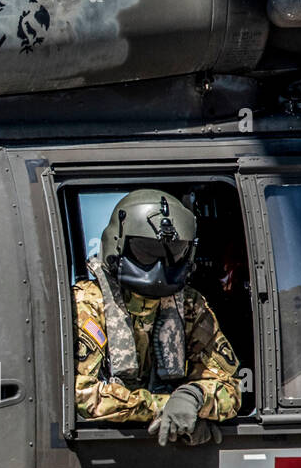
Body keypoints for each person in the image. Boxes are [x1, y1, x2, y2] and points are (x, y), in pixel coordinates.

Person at [74, 189, 241, 444]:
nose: (161, 265)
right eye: (146, 250)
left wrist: (193, 398)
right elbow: (84, 395)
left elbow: (230, 388)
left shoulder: (190, 306)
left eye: (174, 250)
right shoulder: (88, 304)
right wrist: (165, 408)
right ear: (117, 244)